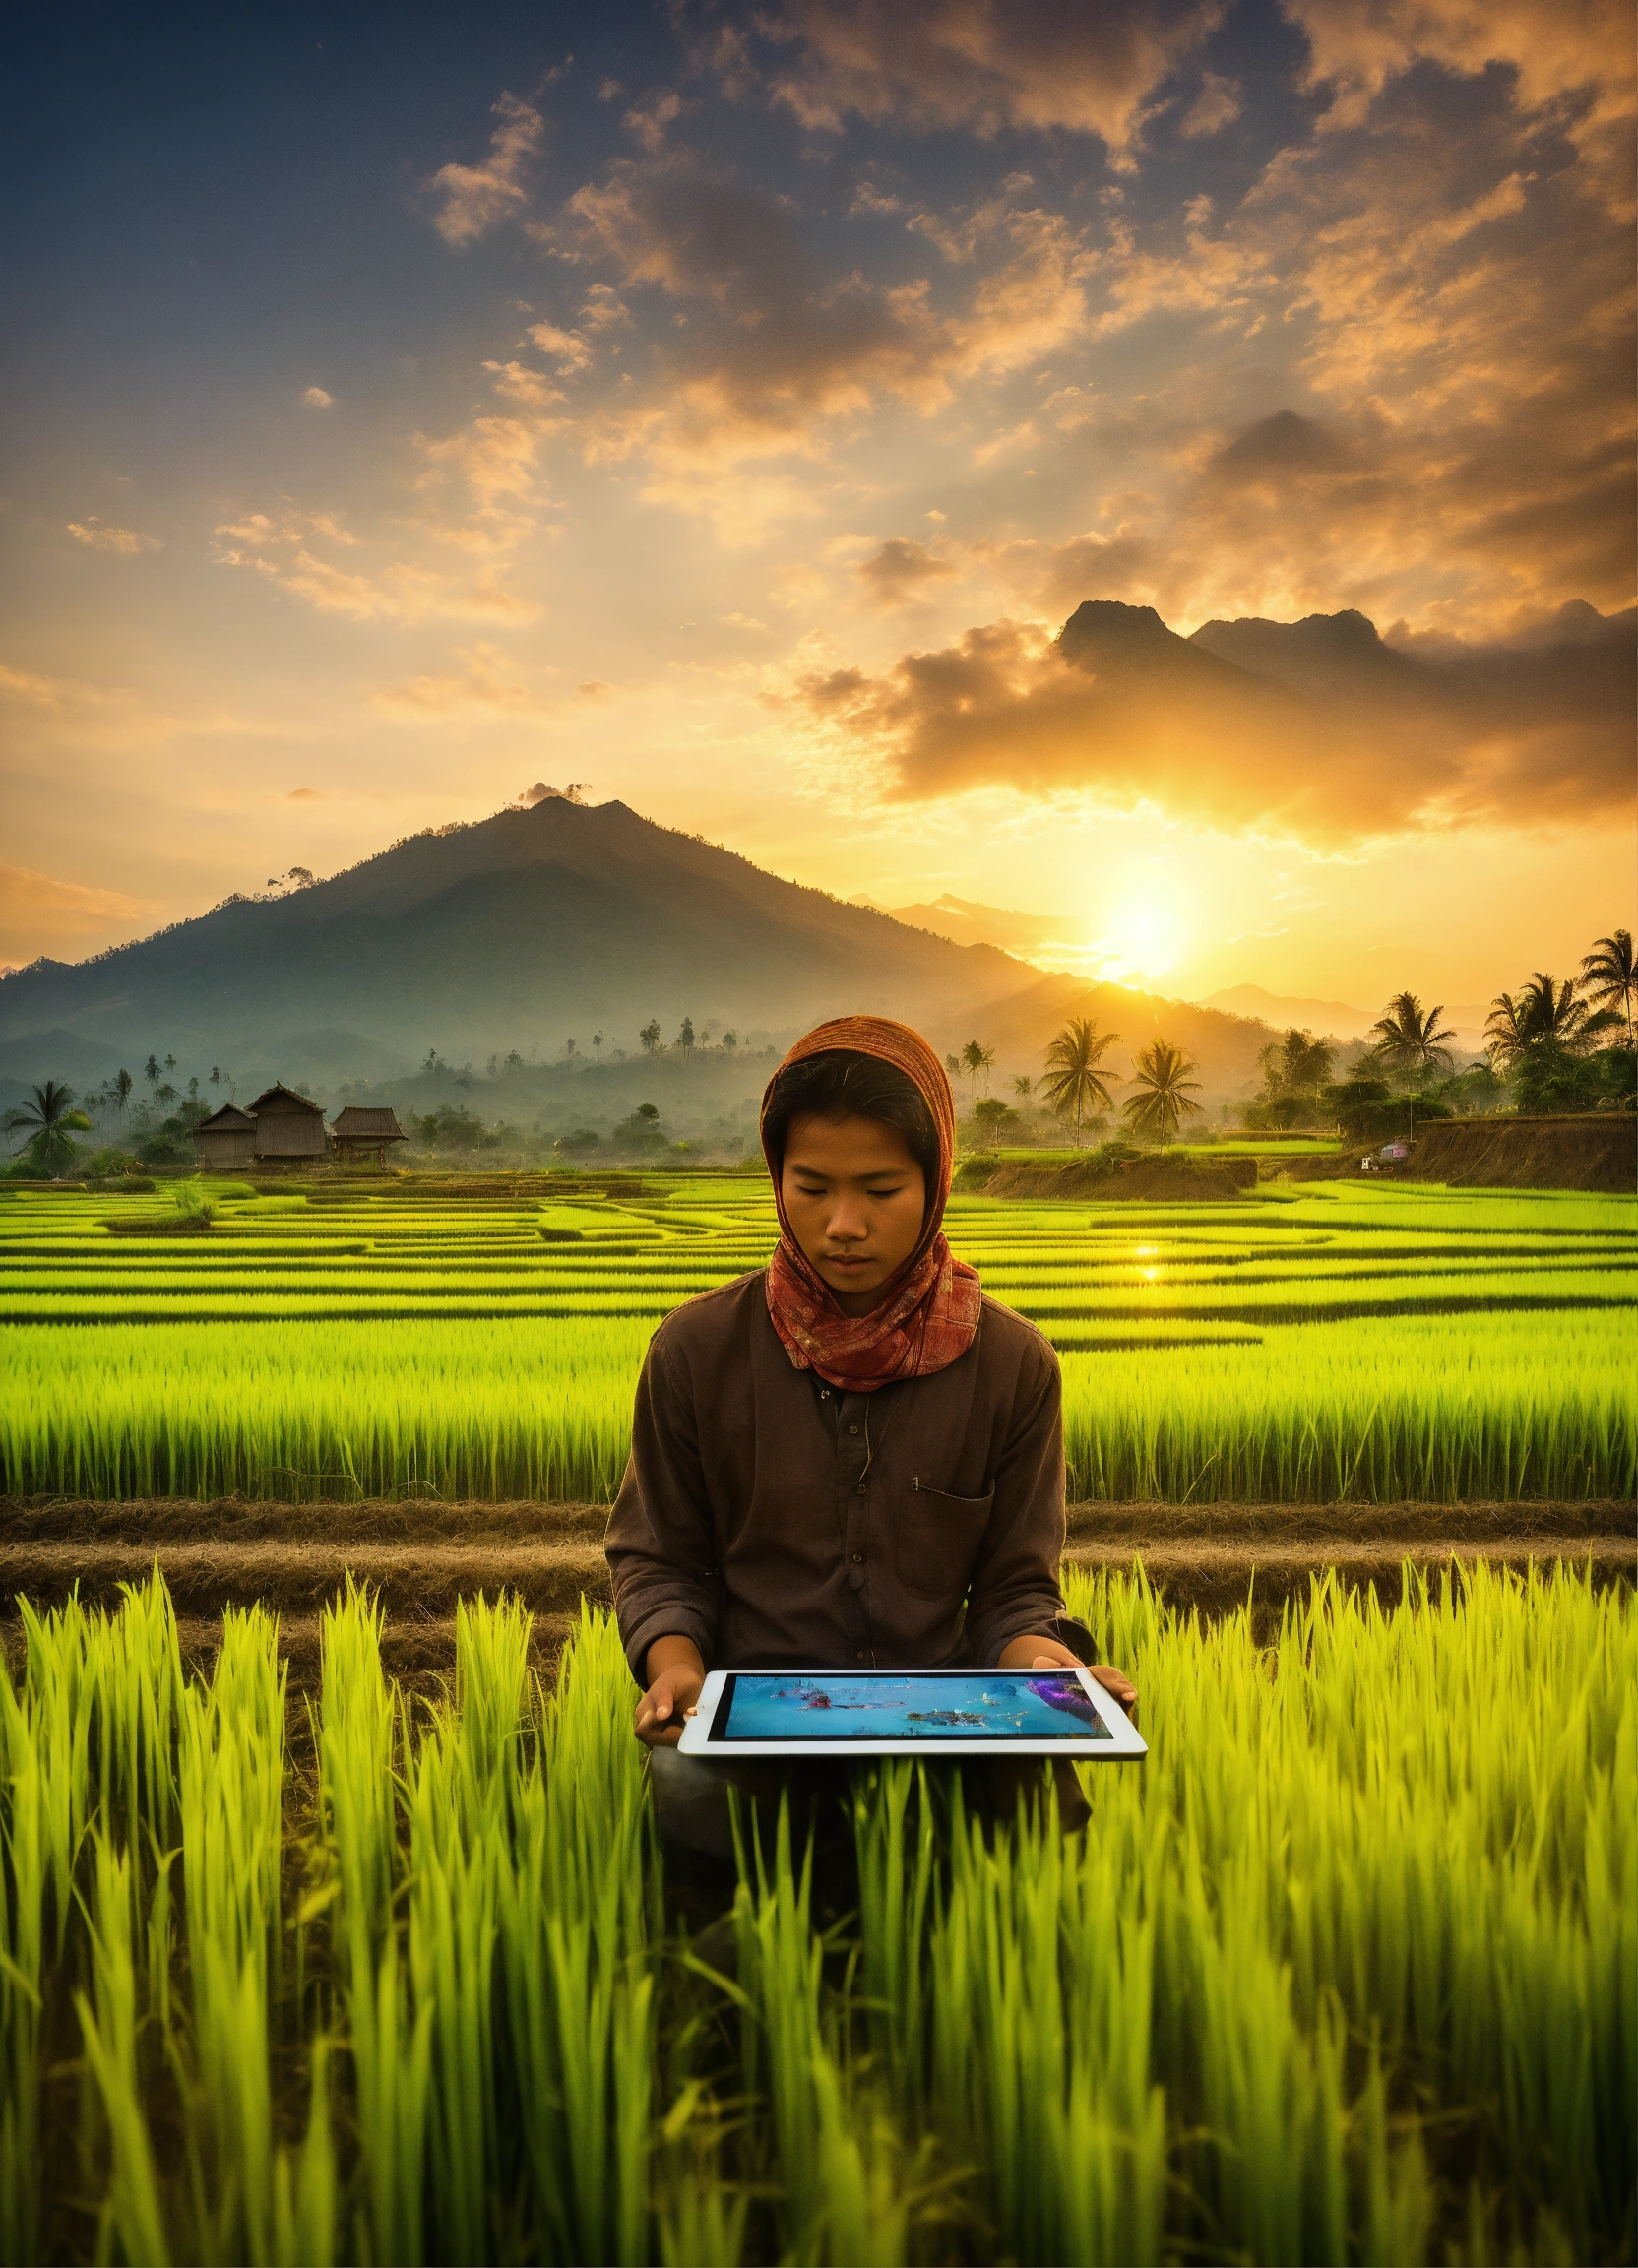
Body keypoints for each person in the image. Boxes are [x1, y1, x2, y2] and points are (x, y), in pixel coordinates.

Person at [603, 1014, 1138, 1863]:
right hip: (754, 1713)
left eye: (881, 1191)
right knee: (694, 1811)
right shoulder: (695, 1352)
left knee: (1036, 1839)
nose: (843, 1224)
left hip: (945, 1715)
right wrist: (678, 1670)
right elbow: (661, 1559)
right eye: (812, 1187)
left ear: (936, 1182)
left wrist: (1050, 1672)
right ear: (777, 1177)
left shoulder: (1013, 1365)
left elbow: (1013, 1589)